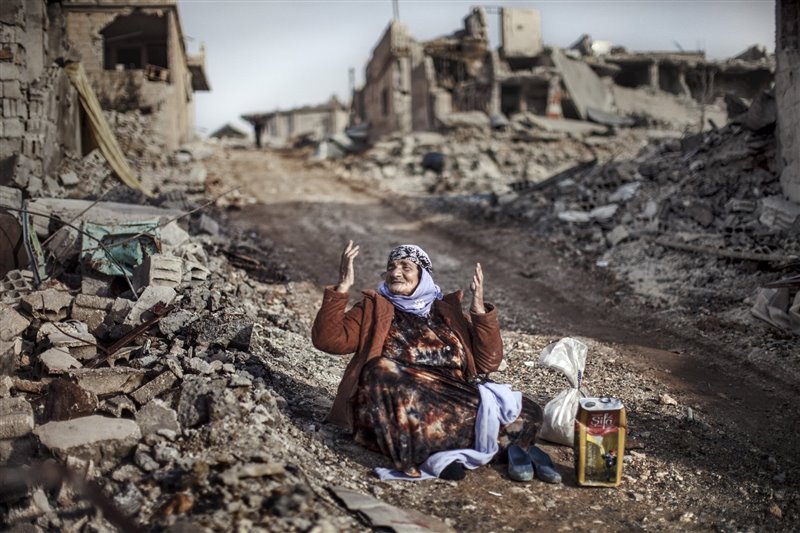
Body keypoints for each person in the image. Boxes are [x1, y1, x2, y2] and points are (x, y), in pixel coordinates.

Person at [312, 241, 542, 479]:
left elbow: (488, 363)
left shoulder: (446, 311)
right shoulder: (373, 307)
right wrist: (342, 288)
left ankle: (442, 445)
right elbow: (328, 341)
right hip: (402, 402)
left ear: (423, 275)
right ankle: (439, 452)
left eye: (405, 266)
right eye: (391, 267)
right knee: (380, 370)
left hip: (450, 397)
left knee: (530, 411)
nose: (395, 272)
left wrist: (479, 311)